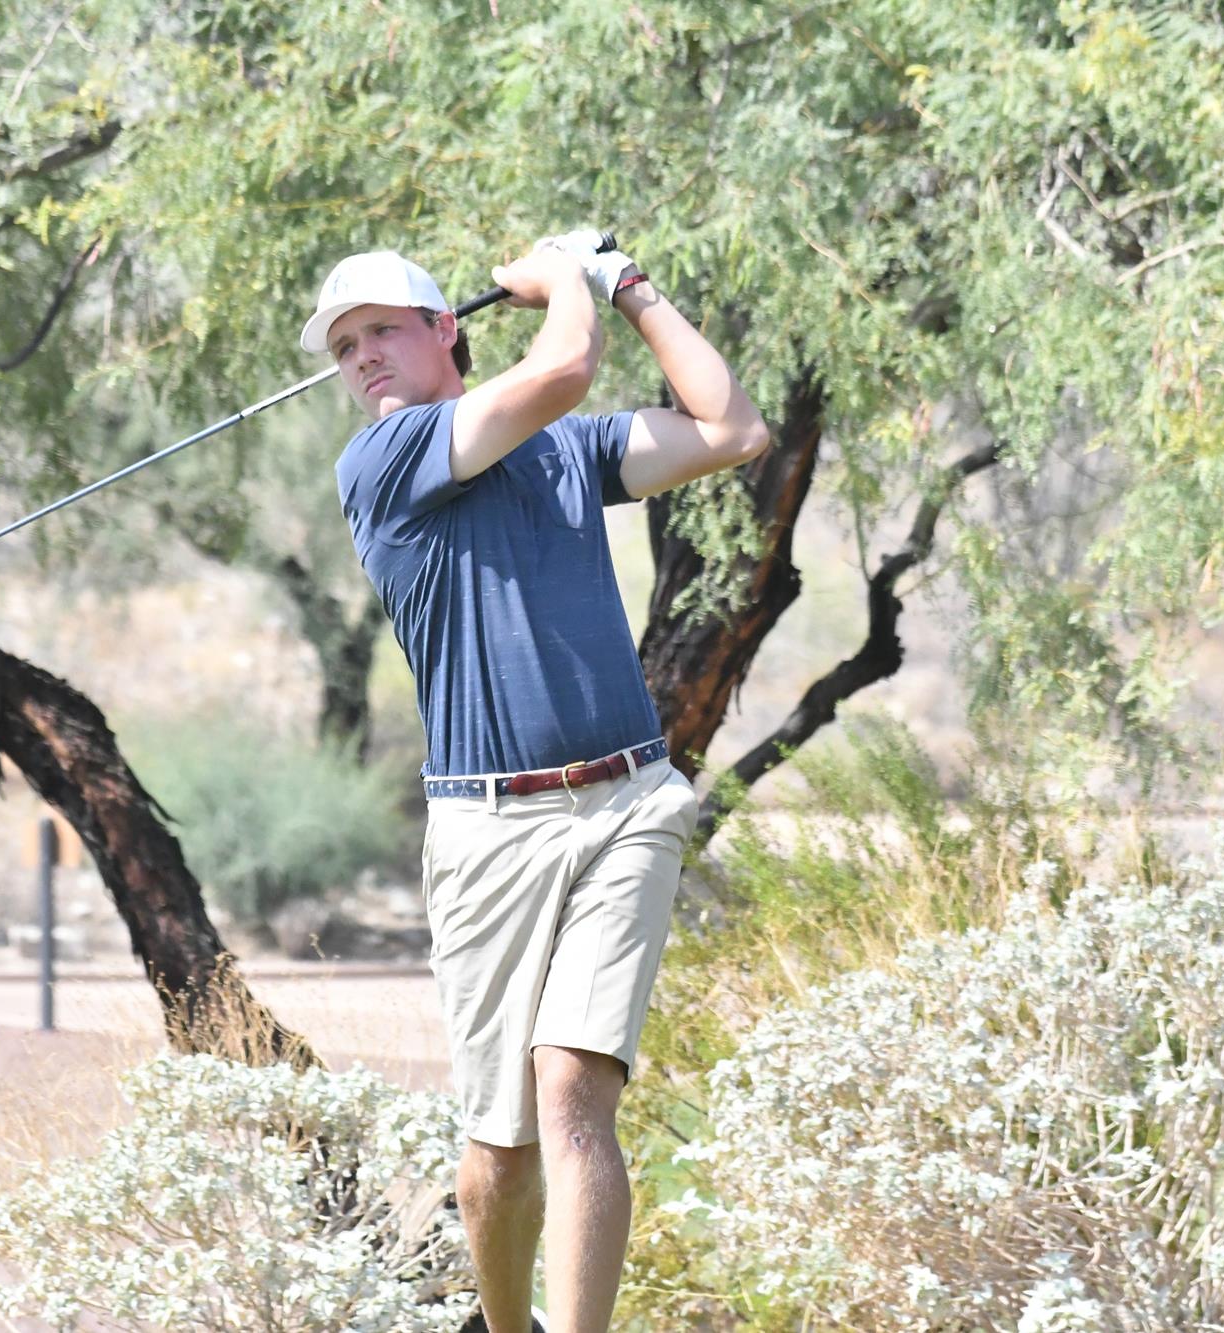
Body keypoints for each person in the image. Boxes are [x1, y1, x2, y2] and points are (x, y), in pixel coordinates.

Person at [306, 230, 769, 1333]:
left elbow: (730, 428)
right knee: (496, 1159)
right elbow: (560, 368)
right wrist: (567, 276)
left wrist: (628, 285)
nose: (363, 356)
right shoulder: (383, 460)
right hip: (486, 832)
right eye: (344, 345)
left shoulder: (565, 454)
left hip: (625, 804)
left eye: (383, 330)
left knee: (572, 1093)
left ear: (443, 329)